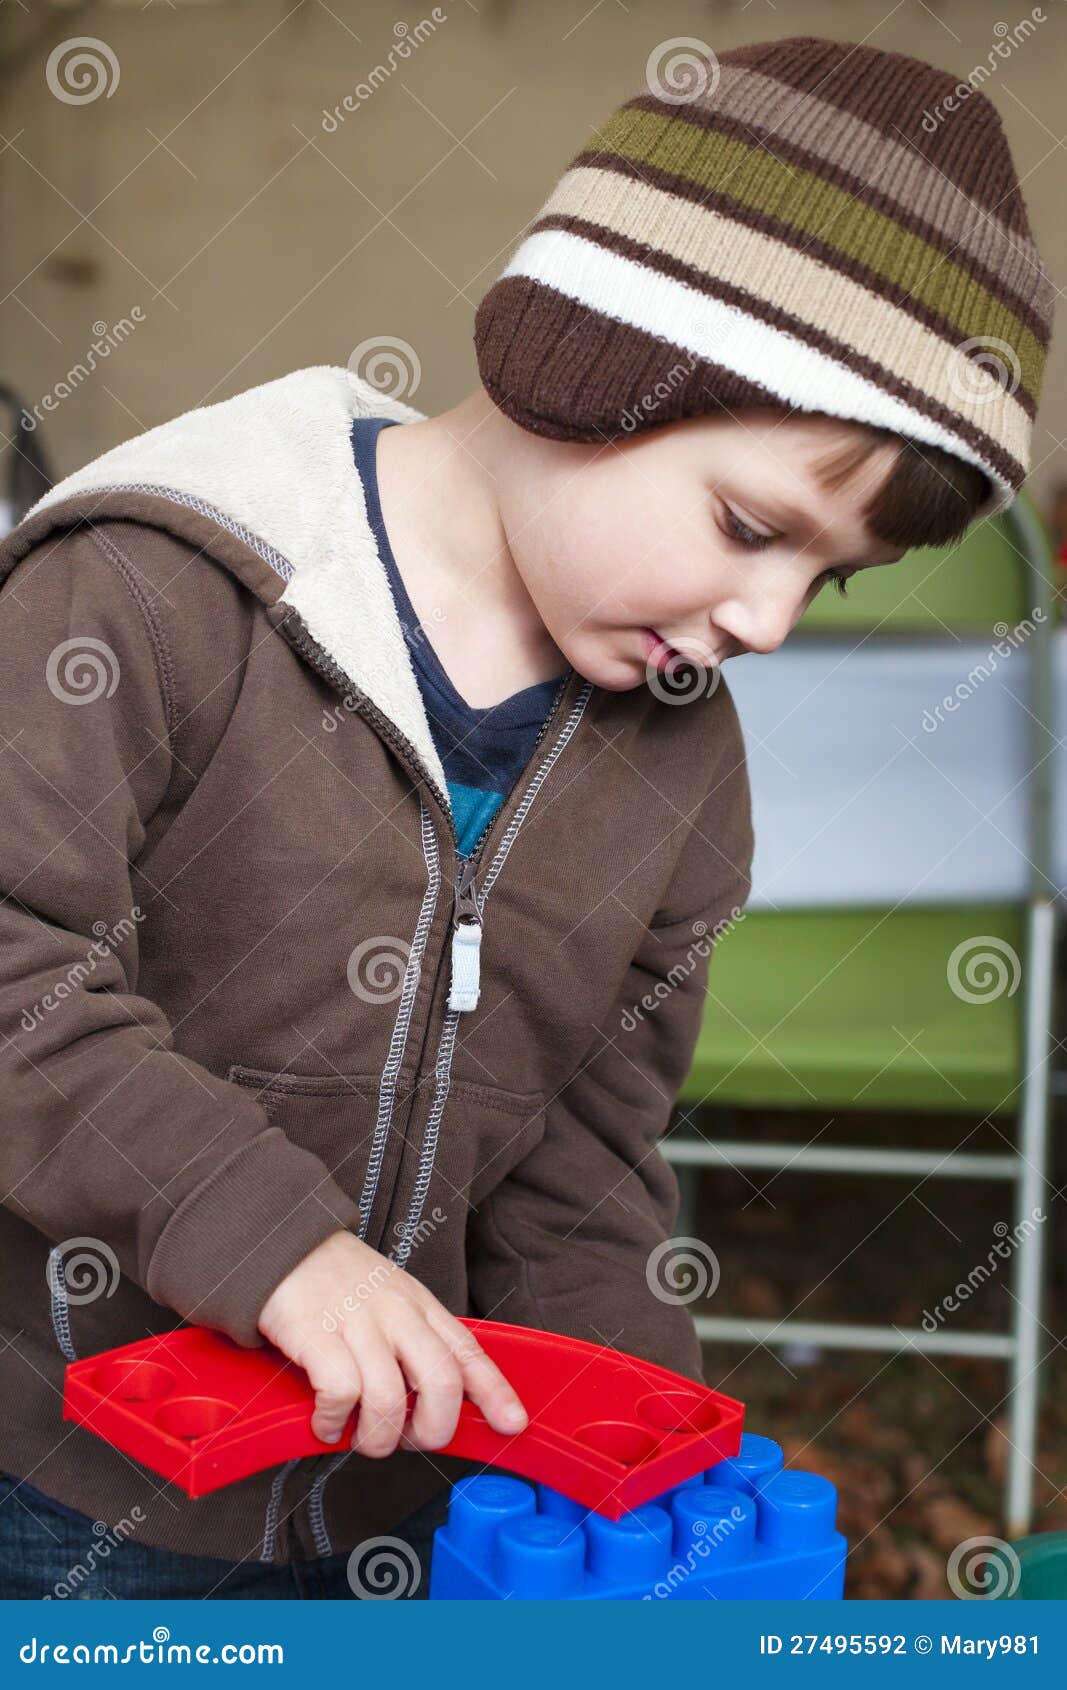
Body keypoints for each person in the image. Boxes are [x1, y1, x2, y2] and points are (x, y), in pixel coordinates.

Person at [0, 34, 1052, 1599]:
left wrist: (625, 1439)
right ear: (591, 361)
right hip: (74, 1491)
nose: (769, 618)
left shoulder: (679, 761)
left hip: (415, 1516)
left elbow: (585, 1149)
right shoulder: (156, 595)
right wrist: (262, 1237)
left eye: (823, 577)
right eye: (751, 527)